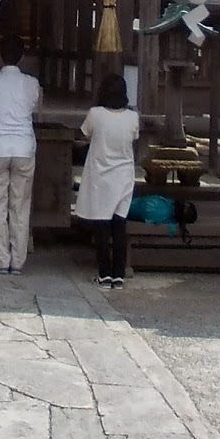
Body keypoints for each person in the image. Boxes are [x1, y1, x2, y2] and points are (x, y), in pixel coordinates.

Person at [0, 33, 42, 274]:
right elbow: (36, 108)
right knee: (20, 206)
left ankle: (2, 260)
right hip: (24, 146)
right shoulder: (32, 84)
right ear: (22, 56)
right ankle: (19, 261)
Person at [75, 72, 139, 289]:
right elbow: (134, 136)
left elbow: (84, 134)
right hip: (124, 175)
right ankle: (118, 275)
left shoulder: (96, 114)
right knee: (119, 225)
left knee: (101, 225)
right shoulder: (133, 117)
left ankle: (104, 274)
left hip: (101, 176)